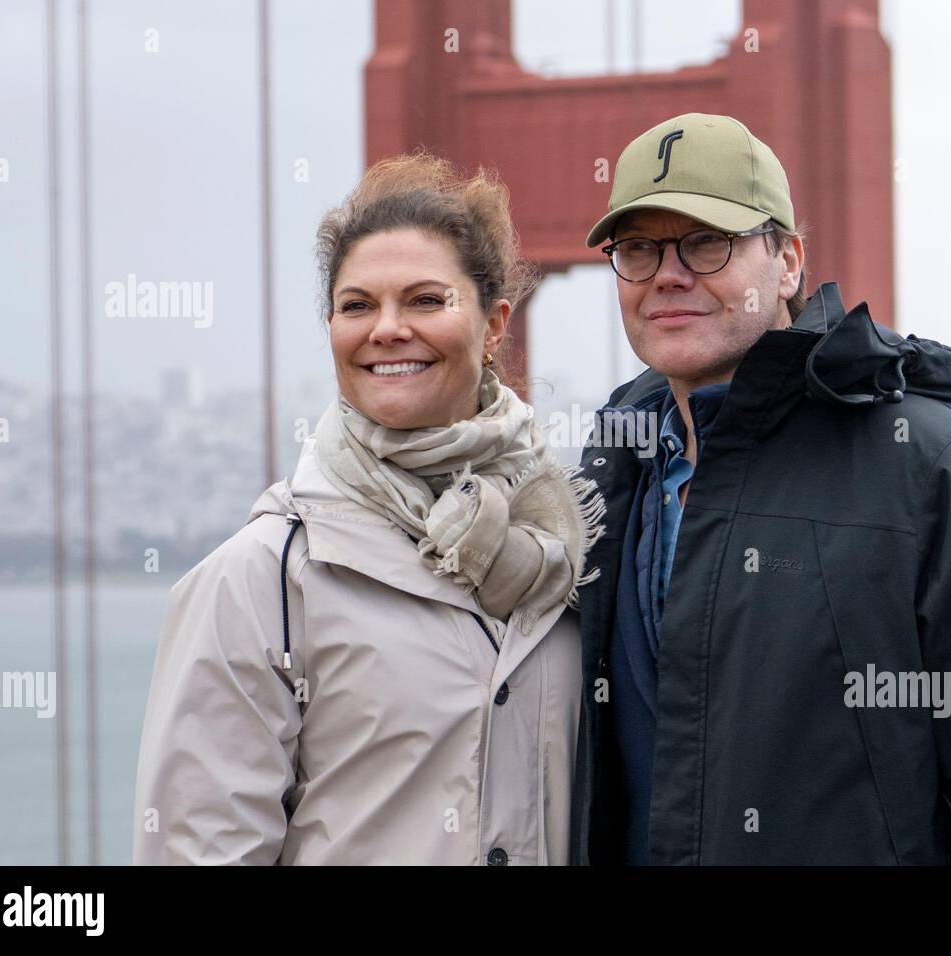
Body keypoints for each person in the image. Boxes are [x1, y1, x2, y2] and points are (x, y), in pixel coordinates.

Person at [570, 112, 951, 865]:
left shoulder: (948, 469)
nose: (668, 273)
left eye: (707, 242)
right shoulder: (607, 480)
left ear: (788, 262)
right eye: (638, 248)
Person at [133, 152, 604, 865]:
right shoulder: (266, 578)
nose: (386, 328)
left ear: (496, 324)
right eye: (357, 306)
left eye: (424, 299)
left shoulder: (569, 551)